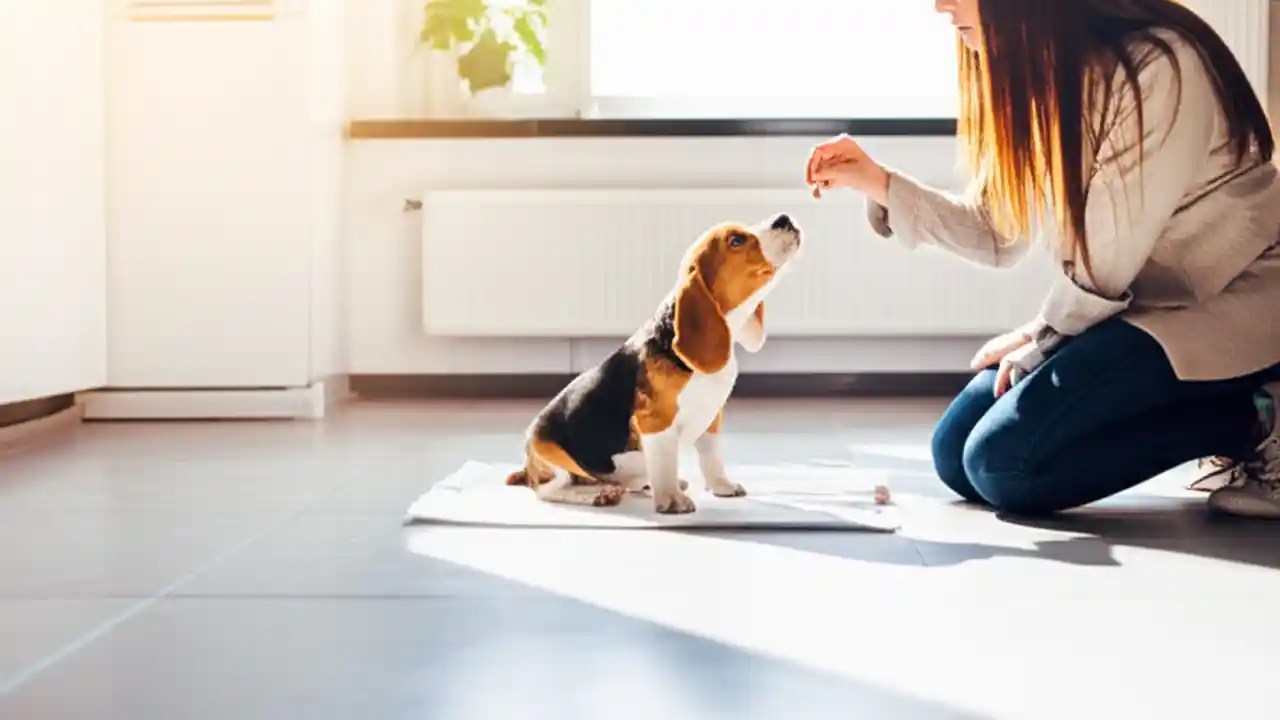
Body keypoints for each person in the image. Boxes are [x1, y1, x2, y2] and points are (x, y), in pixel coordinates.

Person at [805, 0, 1280, 517]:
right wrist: (879, 182)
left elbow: (1106, 264)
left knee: (1003, 464)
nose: (940, 5)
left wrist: (1043, 338)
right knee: (954, 454)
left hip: (1233, 300)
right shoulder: (1040, 70)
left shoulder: (1159, 66)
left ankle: (1255, 418)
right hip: (1140, 307)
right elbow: (995, 233)